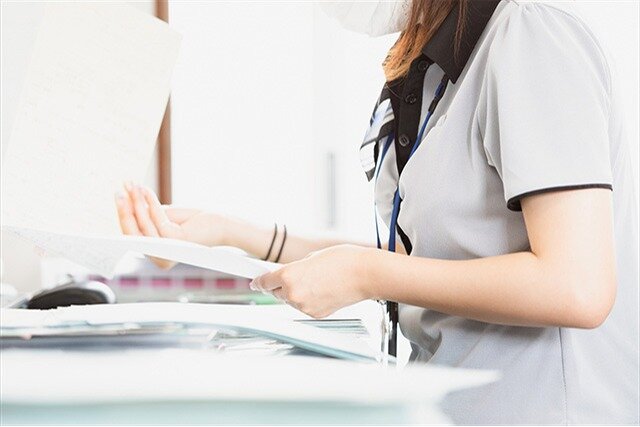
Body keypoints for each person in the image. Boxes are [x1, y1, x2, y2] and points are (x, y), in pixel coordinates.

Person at [116, 0, 639, 424]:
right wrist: (231, 232)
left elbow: (577, 286)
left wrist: (366, 275)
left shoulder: (532, 34)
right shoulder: (437, 63)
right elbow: (429, 257)